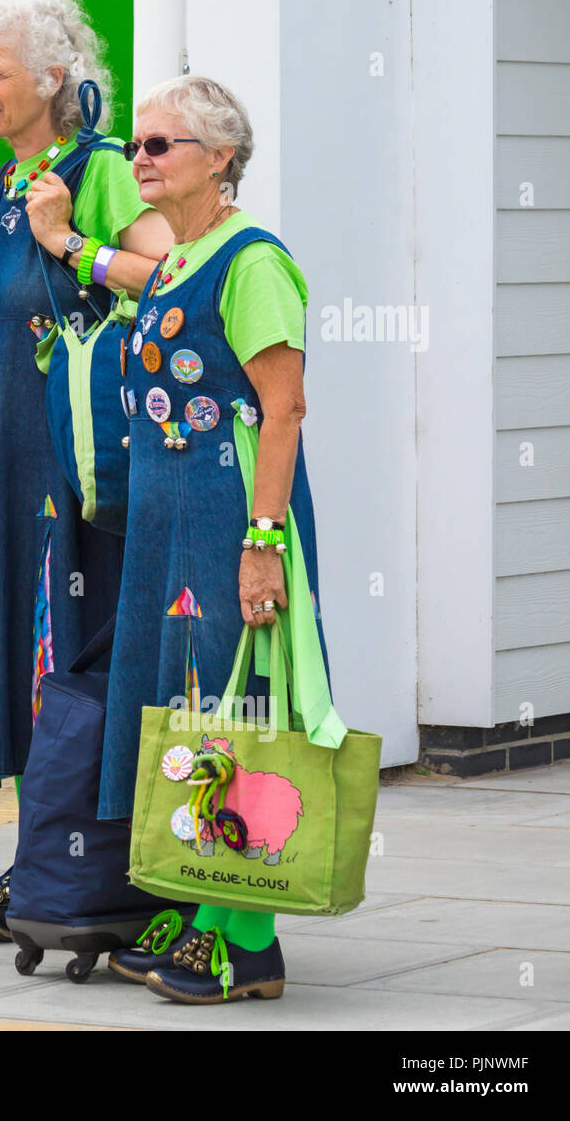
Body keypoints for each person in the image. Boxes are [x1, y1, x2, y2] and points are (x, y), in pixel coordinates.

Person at [0, 0, 172, 941]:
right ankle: (46, 855)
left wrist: (68, 238)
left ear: (55, 77)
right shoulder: (6, 180)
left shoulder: (102, 169)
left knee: (68, 654)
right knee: (23, 659)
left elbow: (166, 272)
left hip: (73, 473)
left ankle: (95, 861)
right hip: (1, 471)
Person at [101, 75, 331, 1001]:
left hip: (232, 514)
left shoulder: (251, 261)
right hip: (167, 518)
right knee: (184, 702)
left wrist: (263, 540)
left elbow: (286, 408)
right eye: (135, 146)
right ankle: (200, 901)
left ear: (221, 158)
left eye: (161, 145)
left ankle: (250, 936)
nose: (140, 159)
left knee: (239, 703)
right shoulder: (174, 260)